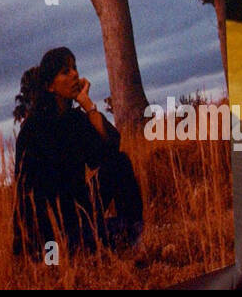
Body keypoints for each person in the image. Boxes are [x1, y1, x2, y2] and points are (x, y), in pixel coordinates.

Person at [11, 48, 143, 258]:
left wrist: (88, 106)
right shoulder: (33, 129)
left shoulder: (75, 120)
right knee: (104, 237)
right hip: (54, 231)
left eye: (75, 68)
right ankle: (101, 242)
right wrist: (50, 259)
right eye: (65, 71)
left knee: (119, 162)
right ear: (49, 86)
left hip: (81, 214)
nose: (74, 74)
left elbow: (108, 153)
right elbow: (28, 201)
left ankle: (136, 240)